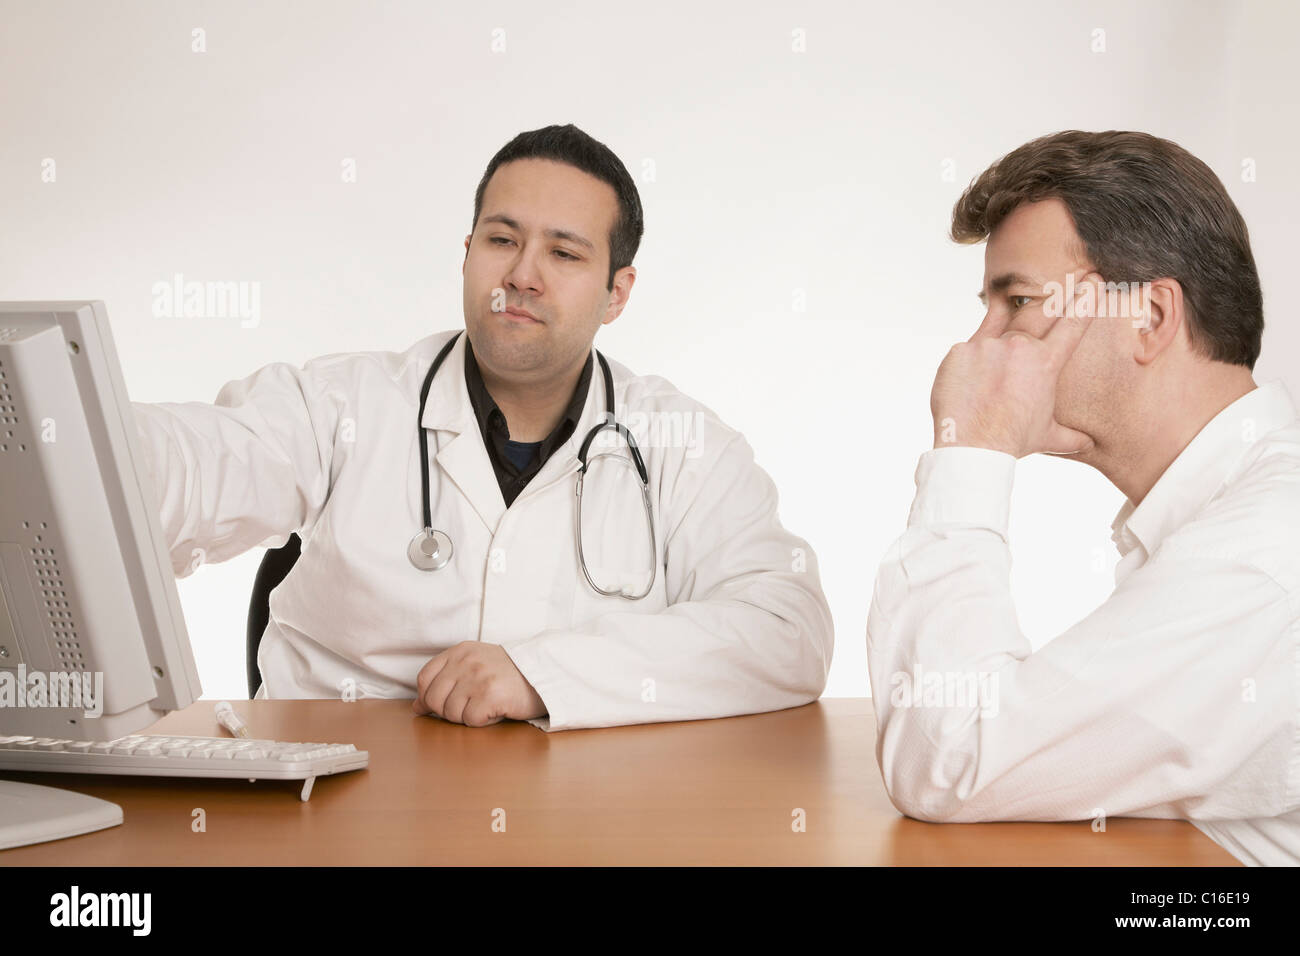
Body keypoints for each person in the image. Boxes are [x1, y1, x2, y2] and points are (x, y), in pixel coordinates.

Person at [134, 123, 833, 731]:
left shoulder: (682, 446)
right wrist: (93, 449)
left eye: (564, 253)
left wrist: (541, 675)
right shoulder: (339, 406)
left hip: (578, 812)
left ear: (616, 293)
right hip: (336, 805)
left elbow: (787, 630)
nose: (523, 275)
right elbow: (193, 465)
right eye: (502, 240)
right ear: (468, 254)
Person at [865, 129, 1300, 865]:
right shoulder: (1240, 514)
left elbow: (949, 762)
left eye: (1019, 302)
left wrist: (972, 450)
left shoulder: (1257, 561)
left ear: (1150, 317)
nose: (977, 347)